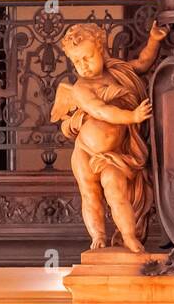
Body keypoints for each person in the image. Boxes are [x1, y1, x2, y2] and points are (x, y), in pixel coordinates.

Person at [50, 22, 167, 252]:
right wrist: (132, 116)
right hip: (85, 153)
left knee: (115, 191)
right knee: (90, 194)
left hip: (113, 155)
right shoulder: (81, 89)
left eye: (88, 57)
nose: (83, 66)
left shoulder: (119, 72)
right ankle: (98, 236)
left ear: (101, 49)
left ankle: (129, 236)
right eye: (77, 62)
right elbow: (100, 111)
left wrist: (154, 40)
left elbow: (143, 64)